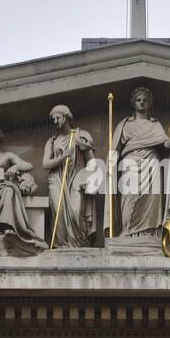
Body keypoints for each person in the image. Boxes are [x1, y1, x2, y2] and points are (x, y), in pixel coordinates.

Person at [111, 86, 170, 237]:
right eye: (138, 100)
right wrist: (110, 164)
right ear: (133, 103)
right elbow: (115, 149)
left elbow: (164, 144)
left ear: (149, 104)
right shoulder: (125, 125)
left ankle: (149, 233)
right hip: (130, 163)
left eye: (145, 100)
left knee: (151, 200)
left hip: (151, 163)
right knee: (130, 197)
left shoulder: (155, 125)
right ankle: (127, 232)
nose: (141, 102)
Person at [43, 106, 96, 248]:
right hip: (57, 179)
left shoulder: (80, 135)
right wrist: (62, 157)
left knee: (76, 211)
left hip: (77, 178)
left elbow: (91, 161)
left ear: (66, 118)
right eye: (53, 119)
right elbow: (45, 164)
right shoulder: (52, 141)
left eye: (57, 118)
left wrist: (89, 177)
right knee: (58, 211)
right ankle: (62, 245)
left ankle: (77, 245)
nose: (55, 121)